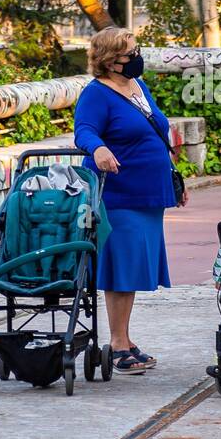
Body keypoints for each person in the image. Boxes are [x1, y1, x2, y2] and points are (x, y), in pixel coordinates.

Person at [74, 27, 188, 375]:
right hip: (119, 194)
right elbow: (84, 130)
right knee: (122, 268)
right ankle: (119, 343)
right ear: (110, 61)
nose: (137, 57)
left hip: (148, 192)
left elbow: (156, 130)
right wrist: (101, 148)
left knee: (134, 266)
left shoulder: (137, 87)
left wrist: (173, 177)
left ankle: (124, 338)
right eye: (130, 52)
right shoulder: (97, 94)